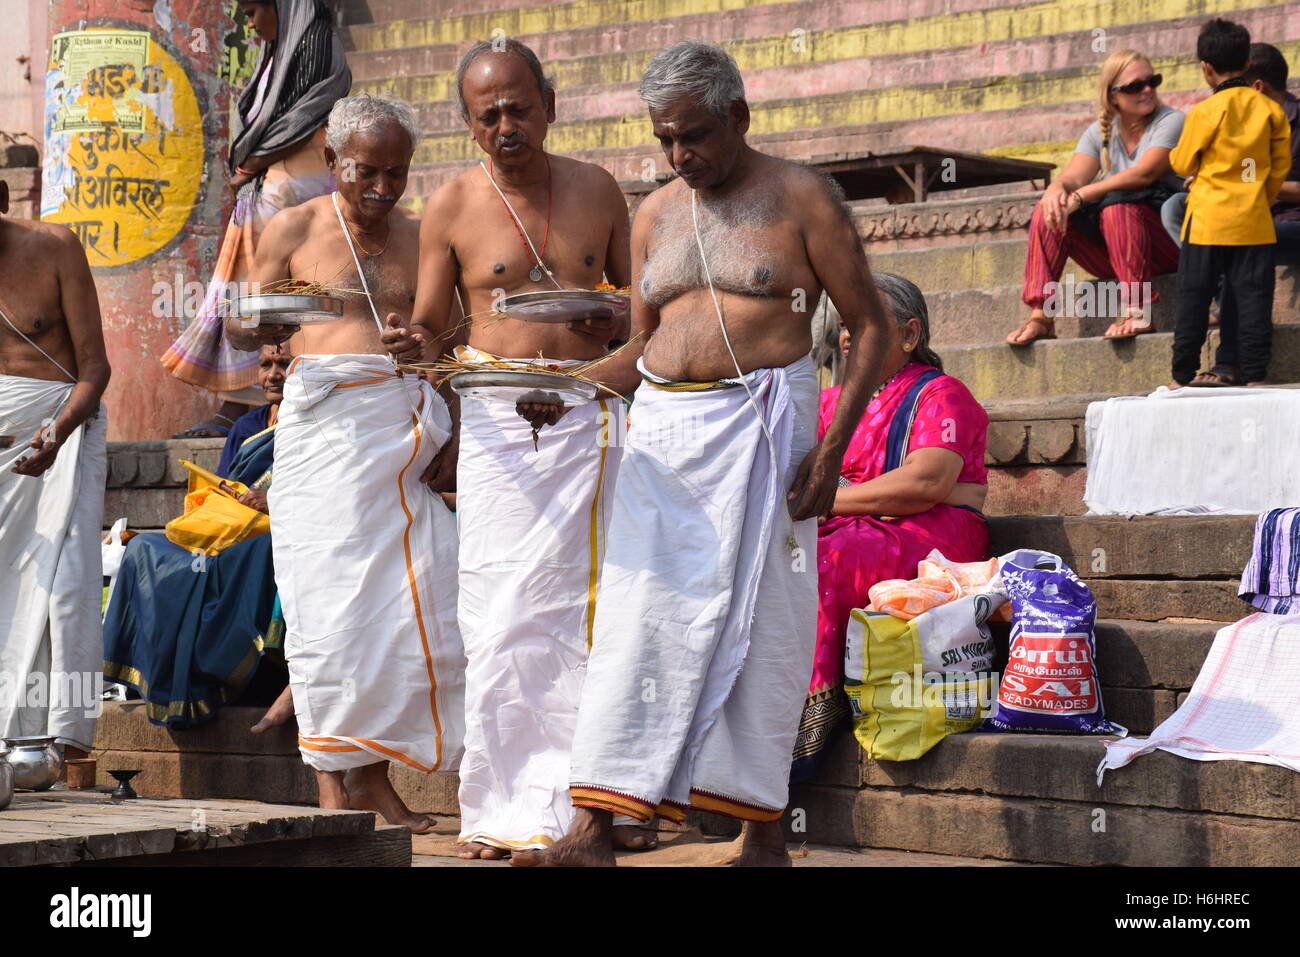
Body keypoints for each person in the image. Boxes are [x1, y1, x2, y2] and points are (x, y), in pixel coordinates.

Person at [512, 40, 892, 868]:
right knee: (634, 625)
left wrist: (830, 450)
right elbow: (639, 351)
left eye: (694, 136)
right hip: (663, 438)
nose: (680, 156)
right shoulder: (655, 214)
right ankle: (594, 830)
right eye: (665, 141)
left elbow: (873, 327)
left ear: (739, 117)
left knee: (768, 627)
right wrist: (576, 387)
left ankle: (762, 837)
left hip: (766, 432)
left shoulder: (801, 199)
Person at [381, 38, 644, 860]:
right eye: (487, 114)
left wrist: (612, 324)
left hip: (589, 410)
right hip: (496, 421)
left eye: (518, 107)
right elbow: (432, 324)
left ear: (549, 104)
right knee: (499, 617)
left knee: (587, 616)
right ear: (467, 124)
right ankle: (499, 810)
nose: (506, 125)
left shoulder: (599, 190)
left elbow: (643, 308)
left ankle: (586, 808)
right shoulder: (453, 205)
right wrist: (407, 340)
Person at [226, 93, 464, 832]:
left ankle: (371, 775)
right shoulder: (292, 227)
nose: (384, 189)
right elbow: (236, 325)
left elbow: (449, 338)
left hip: (400, 437)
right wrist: (275, 314)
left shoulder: (423, 237)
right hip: (323, 439)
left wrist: (423, 355)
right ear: (332, 162)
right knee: (327, 618)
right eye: (368, 172)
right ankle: (340, 787)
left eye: (398, 173)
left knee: (408, 608)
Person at [790, 274, 989, 781]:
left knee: (827, 559)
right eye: (845, 324)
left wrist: (828, 504)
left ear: (909, 335)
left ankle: (804, 732)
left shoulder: (941, 393)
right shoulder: (831, 401)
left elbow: (926, 482)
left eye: (866, 321)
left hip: (933, 532)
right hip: (858, 520)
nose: (849, 335)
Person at [162, 0, 350, 437]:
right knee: (256, 295)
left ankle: (254, 402)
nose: (249, 25)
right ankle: (246, 402)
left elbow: (304, 118)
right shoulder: (279, 50)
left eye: (252, 12)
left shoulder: (315, 40)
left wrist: (250, 164)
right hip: (270, 185)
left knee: (275, 296)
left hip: (298, 185)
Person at [103, 346, 291, 725]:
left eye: (284, 364)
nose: (273, 374)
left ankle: (230, 669)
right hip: (225, 528)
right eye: (265, 365)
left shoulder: (318, 425)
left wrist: (274, 500)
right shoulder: (246, 427)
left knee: (257, 552)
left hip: (274, 531)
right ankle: (167, 676)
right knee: (143, 548)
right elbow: (223, 487)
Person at [0, 177, 111, 769]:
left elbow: (95, 369)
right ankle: (16, 743)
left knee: (66, 589)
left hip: (62, 432)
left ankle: (66, 745)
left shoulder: (55, 247)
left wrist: (54, 435)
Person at [1006, 49, 1183, 345]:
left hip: (1167, 246)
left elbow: (1144, 174)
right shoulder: (1100, 131)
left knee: (1118, 208)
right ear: (1114, 96)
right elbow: (1072, 177)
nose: (1148, 90)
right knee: (1048, 209)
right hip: (1118, 252)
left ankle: (1138, 309)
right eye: (1135, 86)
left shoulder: (1171, 121)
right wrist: (1055, 191)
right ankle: (1041, 315)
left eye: (1153, 80)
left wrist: (1081, 195)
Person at [1168, 19, 1291, 389]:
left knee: (1193, 298)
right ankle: (1254, 376)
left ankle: (1182, 375)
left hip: (1206, 222)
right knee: (1254, 302)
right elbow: (1278, 168)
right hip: (1253, 223)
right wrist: (1258, 199)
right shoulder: (1269, 110)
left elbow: (1182, 162)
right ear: (1246, 60)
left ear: (1206, 69)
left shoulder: (1205, 112)